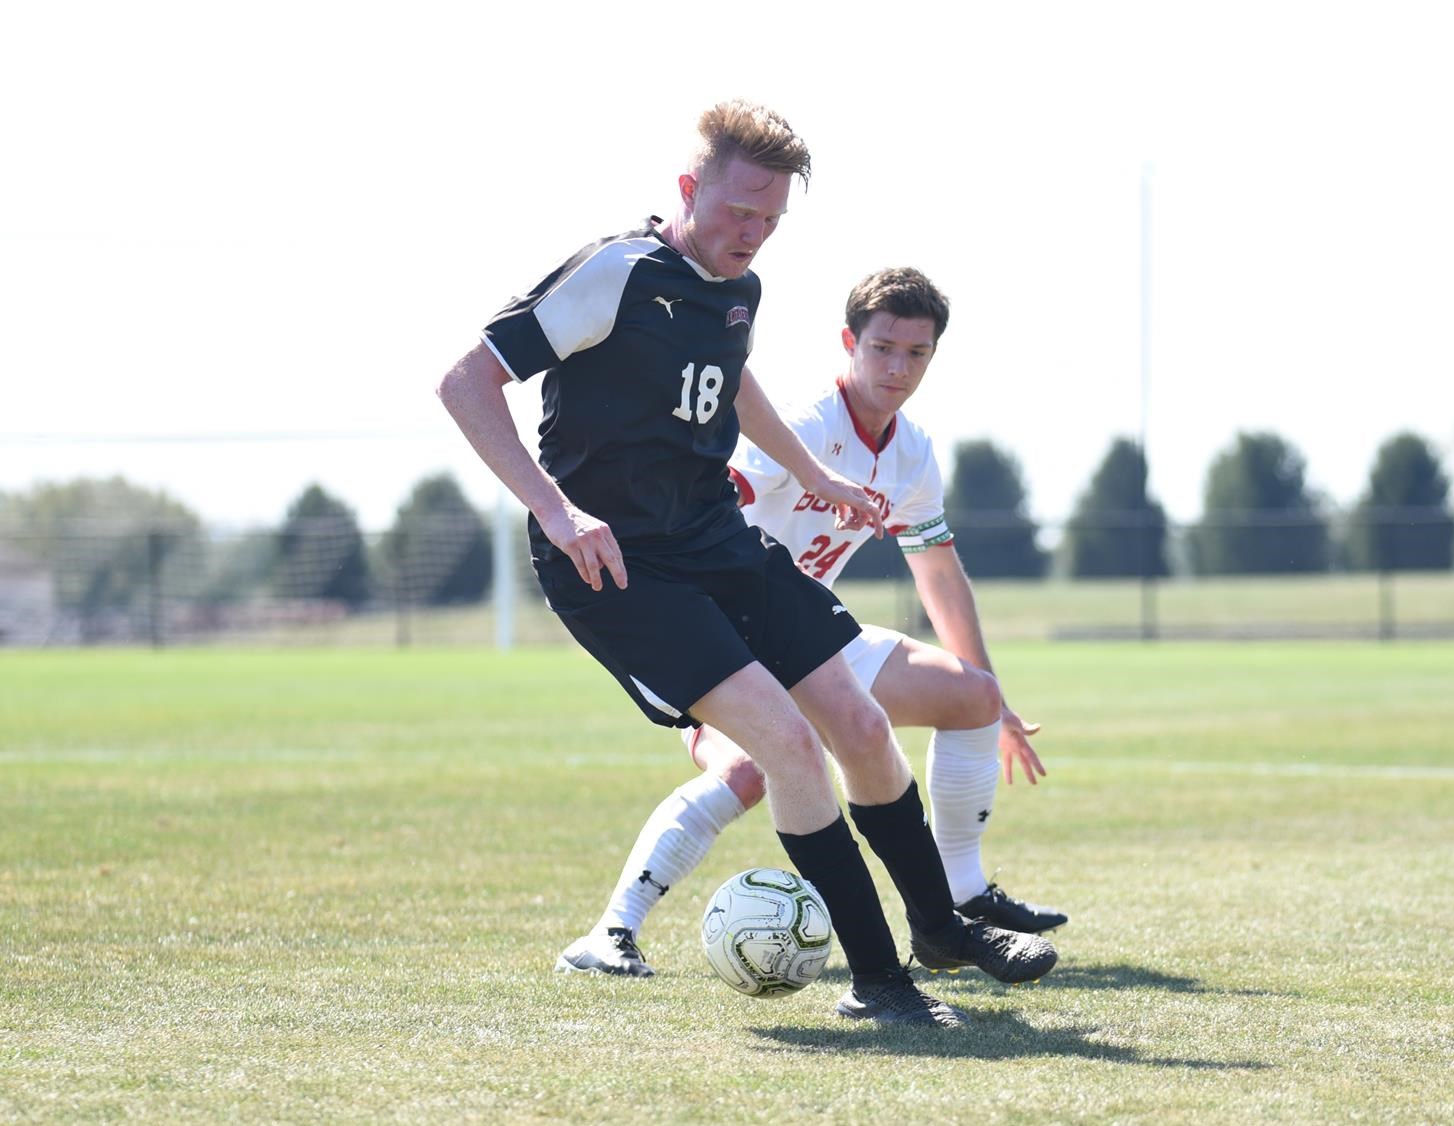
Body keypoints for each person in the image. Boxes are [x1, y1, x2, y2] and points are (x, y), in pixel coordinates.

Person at [434, 101, 1054, 1029]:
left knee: (859, 721)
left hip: (716, 540)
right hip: (622, 569)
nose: (754, 233)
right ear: (689, 189)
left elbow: (733, 376)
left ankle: (940, 926)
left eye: (771, 219)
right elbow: (465, 381)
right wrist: (558, 512)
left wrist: (816, 475)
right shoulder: (616, 273)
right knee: (788, 746)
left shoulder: (738, 288)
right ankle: (881, 984)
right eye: (738, 212)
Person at [558, 267, 1066, 981]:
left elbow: (939, 573)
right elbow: (703, 508)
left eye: (916, 353)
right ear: (849, 344)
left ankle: (959, 898)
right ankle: (612, 932)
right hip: (726, 637)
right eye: (883, 347)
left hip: (811, 636)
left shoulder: (913, 453)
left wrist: (1000, 698)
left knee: (973, 696)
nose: (897, 368)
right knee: (750, 769)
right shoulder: (802, 426)